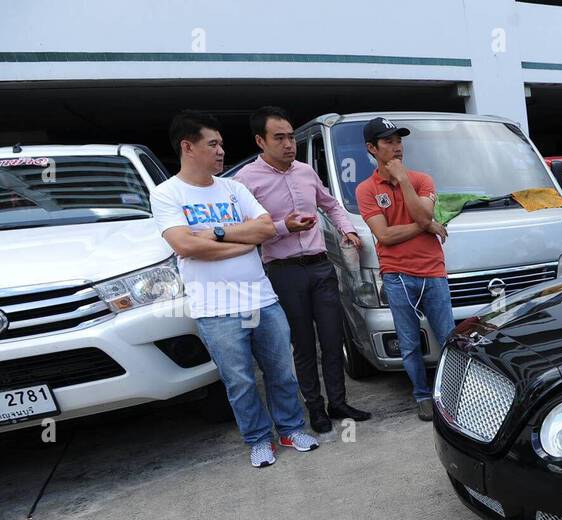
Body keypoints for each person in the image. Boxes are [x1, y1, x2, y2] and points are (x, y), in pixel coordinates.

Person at [152, 111, 318, 468]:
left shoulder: (234, 188)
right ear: (188, 147)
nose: (221, 151)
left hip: (262, 299)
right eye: (212, 144)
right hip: (215, 309)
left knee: (281, 371)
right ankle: (258, 439)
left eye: (221, 144)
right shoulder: (167, 194)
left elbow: (265, 229)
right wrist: (242, 241)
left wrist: (219, 233)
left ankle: (290, 429)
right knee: (240, 380)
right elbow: (185, 245)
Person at [234, 106, 371, 434]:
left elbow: (330, 204)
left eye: (290, 136)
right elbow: (244, 228)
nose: (288, 144)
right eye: (278, 138)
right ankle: (315, 409)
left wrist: (346, 229)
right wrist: (283, 227)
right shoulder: (244, 182)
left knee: (333, 337)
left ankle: (337, 402)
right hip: (284, 272)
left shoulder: (305, 171)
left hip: (320, 266)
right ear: (260, 141)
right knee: (304, 344)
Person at [355, 117, 453, 421]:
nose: (397, 147)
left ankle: (453, 392)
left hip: (432, 271)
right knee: (409, 343)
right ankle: (422, 396)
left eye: (399, 141)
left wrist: (404, 181)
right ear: (372, 148)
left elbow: (424, 212)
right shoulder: (366, 190)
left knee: (448, 337)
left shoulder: (422, 179)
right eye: (388, 142)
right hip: (397, 275)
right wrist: (427, 226)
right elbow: (384, 235)